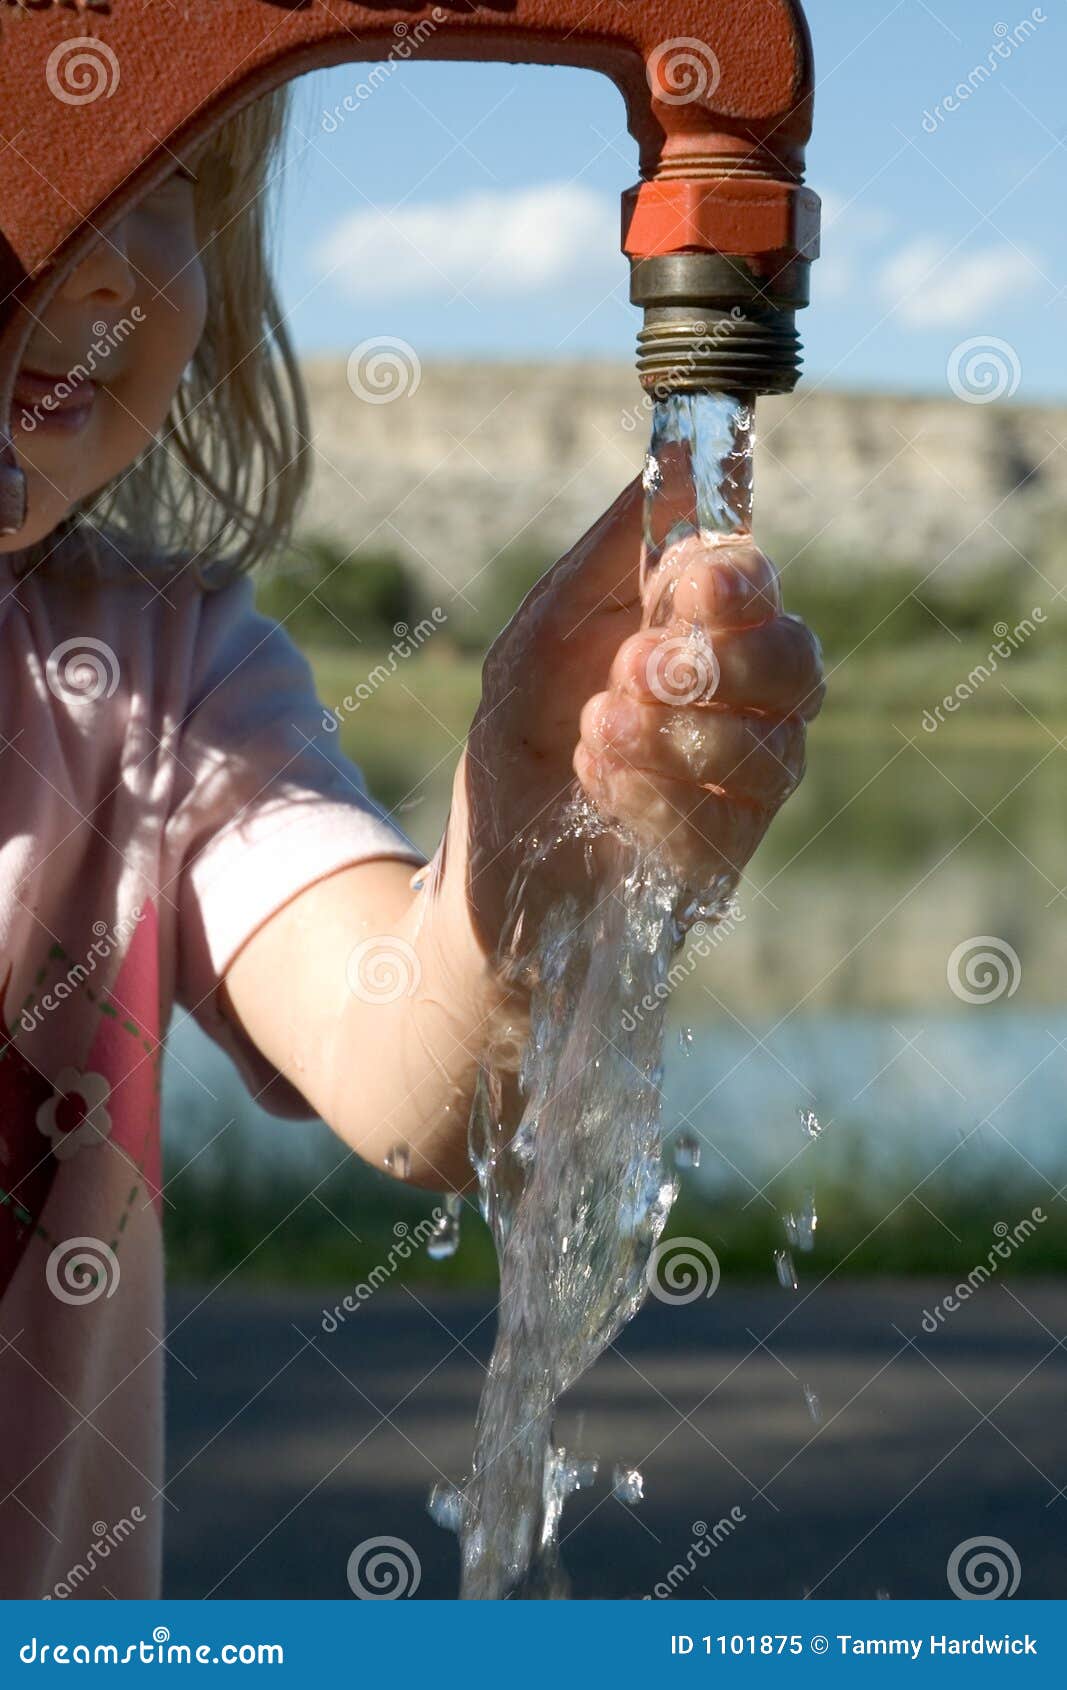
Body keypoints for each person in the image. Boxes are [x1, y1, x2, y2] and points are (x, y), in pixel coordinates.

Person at [0, 84, 823, 1598]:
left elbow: (412, 1082)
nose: (111, 264)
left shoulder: (159, 672)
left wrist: (527, 833)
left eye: (169, 177)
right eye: (39, 154)